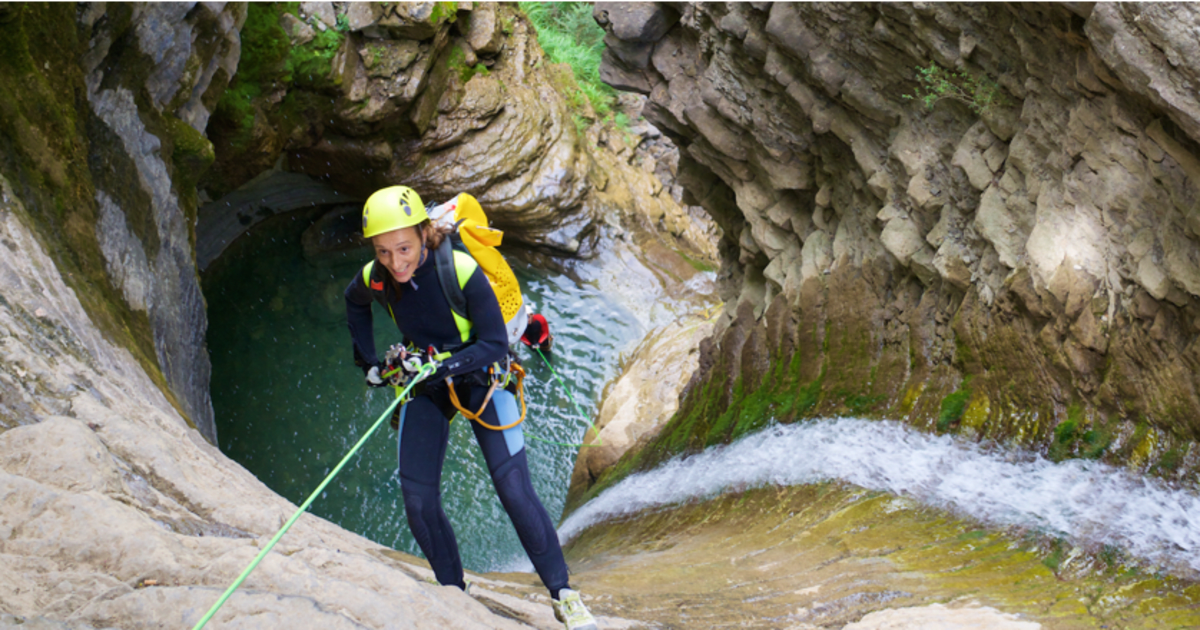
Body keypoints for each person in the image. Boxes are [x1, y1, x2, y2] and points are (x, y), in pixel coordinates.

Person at [344, 186, 598, 630]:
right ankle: (453, 595)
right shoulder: (376, 277)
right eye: (383, 251)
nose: (395, 261)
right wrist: (367, 362)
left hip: (481, 374)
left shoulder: (459, 270)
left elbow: (495, 344)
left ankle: (565, 595)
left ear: (425, 234)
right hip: (428, 380)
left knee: (514, 490)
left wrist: (440, 367)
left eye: (404, 248)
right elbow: (355, 301)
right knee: (418, 500)